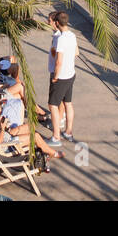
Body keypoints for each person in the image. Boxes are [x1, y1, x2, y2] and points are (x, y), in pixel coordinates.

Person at [0, 103, 63, 169]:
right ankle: (52, 153)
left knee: (29, 126)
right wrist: (3, 129)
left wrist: (1, 127)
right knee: (36, 136)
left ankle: (41, 148)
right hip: (8, 145)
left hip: (7, 137)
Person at [48, 11, 78, 147]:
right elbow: (76, 52)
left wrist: (55, 76)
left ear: (57, 23)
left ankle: (56, 136)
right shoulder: (72, 35)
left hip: (61, 76)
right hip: (71, 73)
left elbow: (58, 62)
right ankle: (69, 132)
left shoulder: (61, 39)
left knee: (53, 105)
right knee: (68, 103)